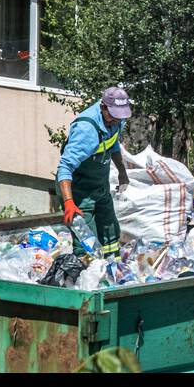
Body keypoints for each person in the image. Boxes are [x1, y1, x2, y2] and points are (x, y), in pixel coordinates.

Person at [57, 86, 132, 258]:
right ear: (103, 107)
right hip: (79, 192)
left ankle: (113, 270)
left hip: (100, 186)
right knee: (87, 242)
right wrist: (69, 202)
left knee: (110, 231)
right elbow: (64, 168)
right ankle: (87, 278)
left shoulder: (117, 119)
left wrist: (122, 172)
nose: (117, 120)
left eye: (120, 116)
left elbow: (113, 145)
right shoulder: (86, 129)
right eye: (114, 116)